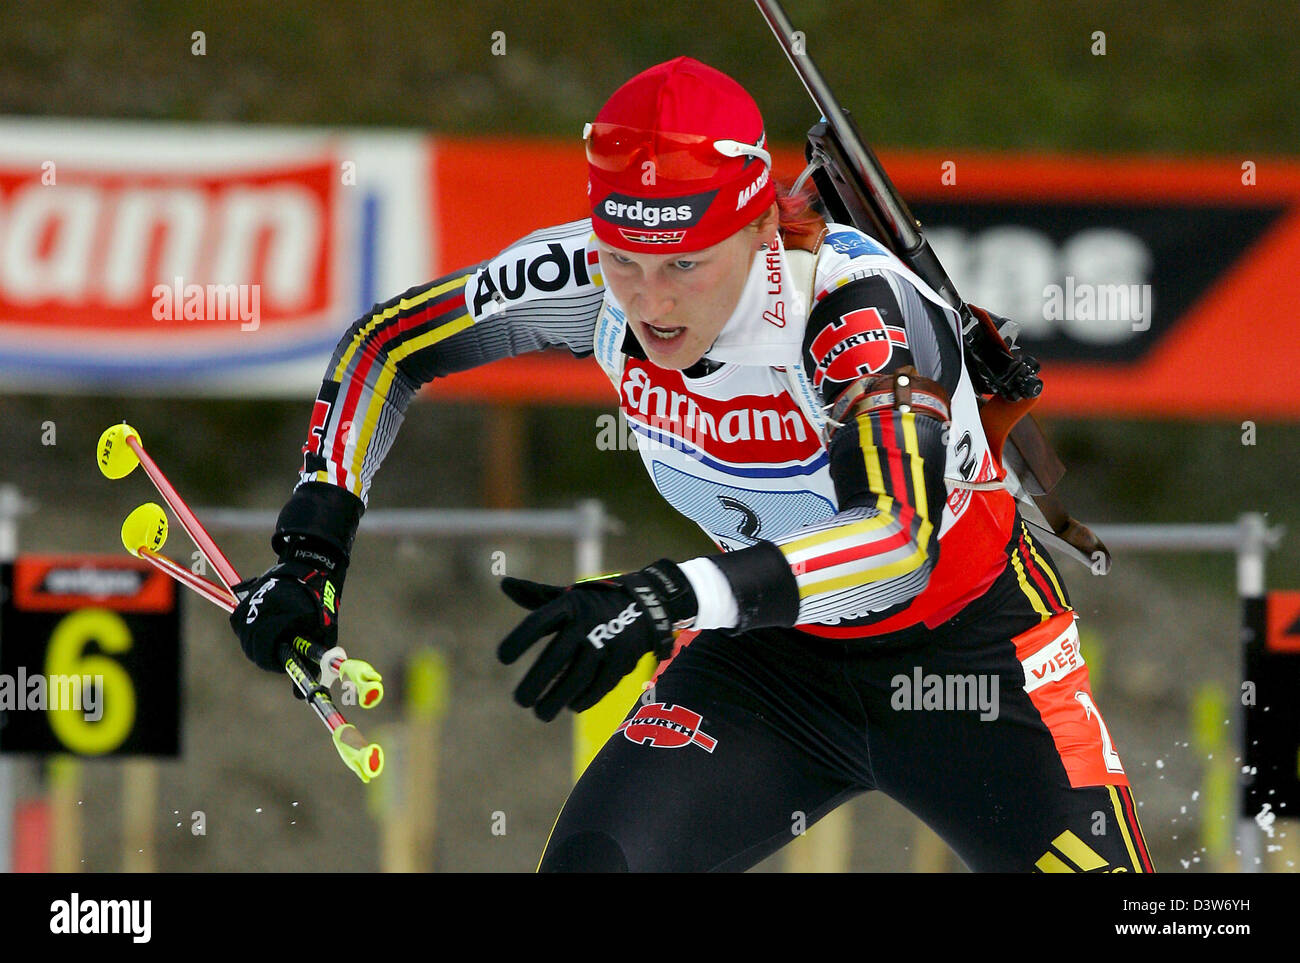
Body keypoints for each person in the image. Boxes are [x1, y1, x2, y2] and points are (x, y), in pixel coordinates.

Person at [230, 56, 1153, 873]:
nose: (650, 299)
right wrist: (314, 549)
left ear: (758, 230)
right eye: (625, 259)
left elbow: (894, 540)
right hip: (770, 665)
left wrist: (667, 593)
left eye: (685, 264)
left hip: (969, 659)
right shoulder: (592, 284)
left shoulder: (851, 310)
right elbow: (390, 344)